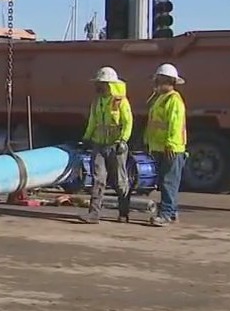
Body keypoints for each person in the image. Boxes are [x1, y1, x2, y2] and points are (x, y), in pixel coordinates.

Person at [78, 66, 134, 224]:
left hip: (116, 147)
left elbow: (128, 122)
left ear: (109, 84)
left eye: (100, 83)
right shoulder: (97, 101)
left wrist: (123, 140)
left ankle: (124, 212)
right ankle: (94, 214)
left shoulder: (120, 101)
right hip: (99, 145)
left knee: (120, 181)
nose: (97, 86)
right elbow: (92, 122)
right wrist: (86, 138)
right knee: (98, 179)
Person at [146, 62, 187, 227]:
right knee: (166, 181)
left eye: (159, 79)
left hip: (171, 148)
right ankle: (172, 212)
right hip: (160, 146)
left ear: (169, 81)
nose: (156, 82)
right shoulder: (160, 99)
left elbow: (175, 124)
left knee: (168, 182)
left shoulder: (173, 100)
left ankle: (166, 214)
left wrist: (170, 144)